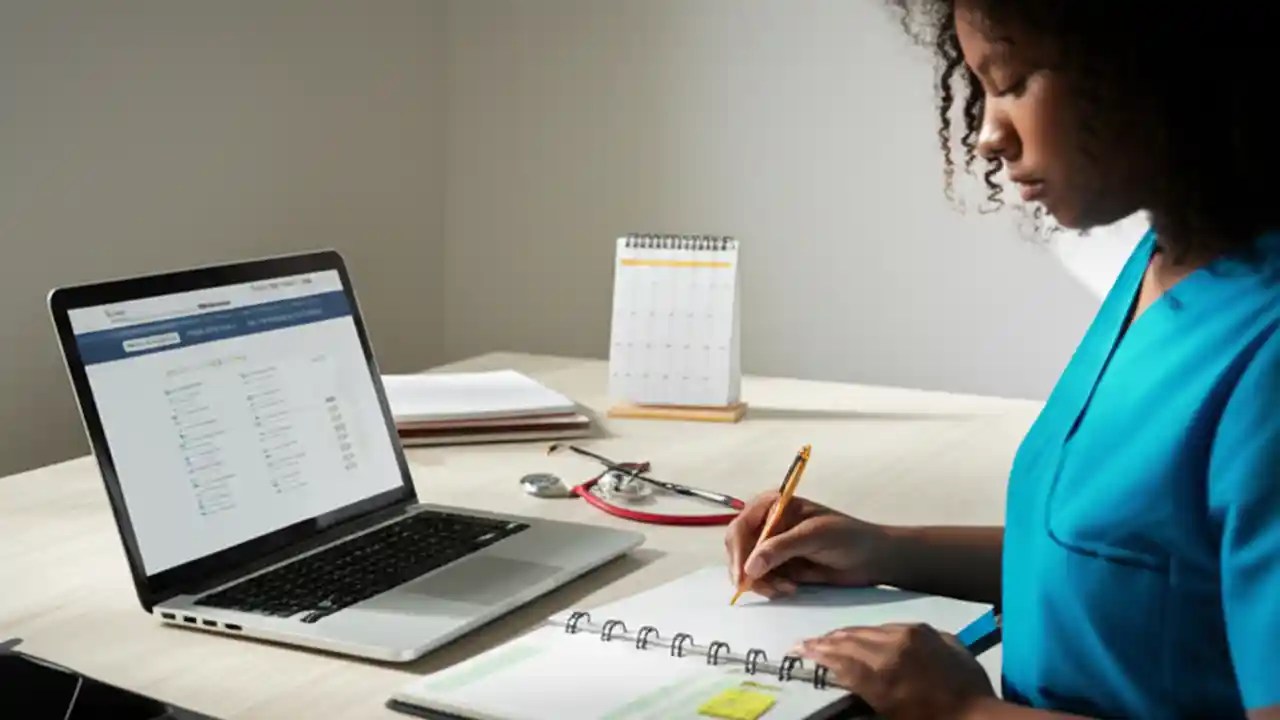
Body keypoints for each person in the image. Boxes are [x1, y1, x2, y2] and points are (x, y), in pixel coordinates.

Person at [724, 2, 1280, 718]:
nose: (987, 135)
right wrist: (885, 550)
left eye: (1012, 81)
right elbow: (1121, 559)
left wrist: (968, 714)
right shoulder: (1166, 266)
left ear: (1155, 68)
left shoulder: (1264, 352)